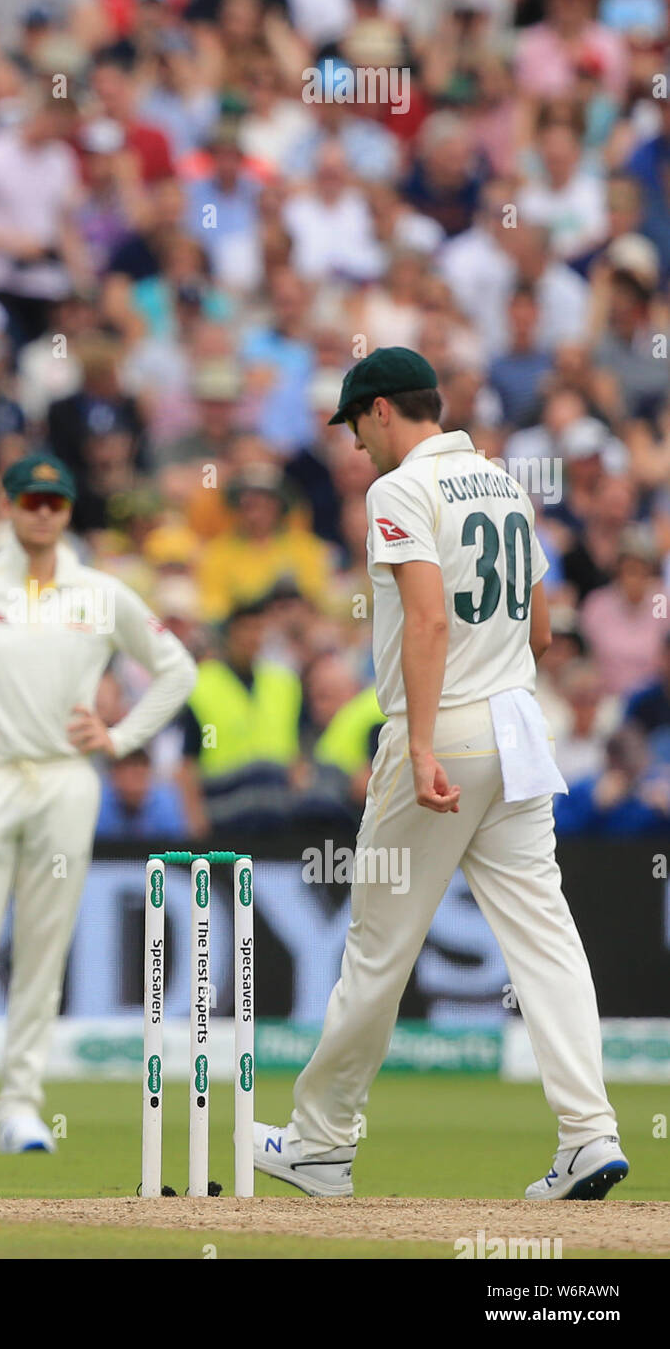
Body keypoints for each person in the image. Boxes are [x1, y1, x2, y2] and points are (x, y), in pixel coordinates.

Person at [254, 347, 628, 1201]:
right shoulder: (504, 482)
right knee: (545, 935)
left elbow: (426, 621)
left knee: (378, 948)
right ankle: (589, 1134)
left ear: (383, 410)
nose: (353, 446)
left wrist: (419, 746)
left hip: (445, 729)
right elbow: (539, 633)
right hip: (520, 725)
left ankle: (319, 1143)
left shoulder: (399, 490)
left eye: (355, 424)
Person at [0, 453, 196, 1154]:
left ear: (67, 510)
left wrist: (119, 737)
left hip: (65, 778)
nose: (42, 513)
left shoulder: (100, 593)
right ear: (10, 505)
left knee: (43, 944)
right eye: (30, 501)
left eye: (54, 504)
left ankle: (21, 1102)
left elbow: (177, 670)